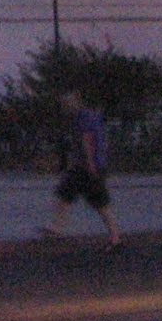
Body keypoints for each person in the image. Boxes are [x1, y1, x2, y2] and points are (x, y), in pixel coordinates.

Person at [41, 88, 121, 249]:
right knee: (66, 193)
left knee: (99, 203)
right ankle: (56, 227)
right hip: (85, 166)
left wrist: (90, 166)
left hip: (89, 166)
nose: (64, 108)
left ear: (72, 104)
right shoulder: (88, 117)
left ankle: (115, 238)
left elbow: (87, 141)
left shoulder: (82, 117)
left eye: (66, 104)